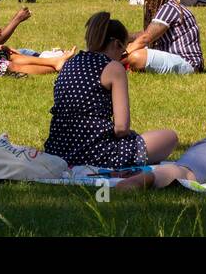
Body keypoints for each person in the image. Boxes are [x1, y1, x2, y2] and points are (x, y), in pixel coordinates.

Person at [43, 11, 178, 168]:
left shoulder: (68, 64)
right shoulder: (113, 68)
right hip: (96, 153)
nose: (123, 56)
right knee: (170, 137)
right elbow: (121, 128)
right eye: (123, 52)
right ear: (116, 44)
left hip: (57, 151)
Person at [122, 0, 205, 74]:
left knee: (136, 56)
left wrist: (123, 54)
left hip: (187, 63)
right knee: (128, 45)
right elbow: (149, 33)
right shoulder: (169, 6)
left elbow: (146, 38)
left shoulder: (169, 9)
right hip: (173, 57)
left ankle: (111, 65)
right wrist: (124, 37)